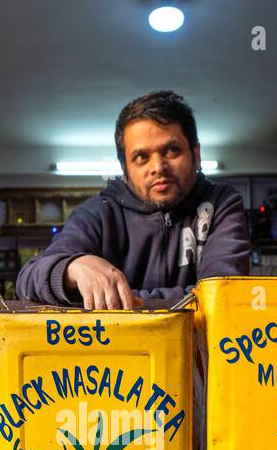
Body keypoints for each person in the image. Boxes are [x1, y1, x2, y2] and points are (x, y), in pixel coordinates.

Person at [16, 90, 251, 309]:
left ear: (196, 155)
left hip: (199, 352)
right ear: (125, 169)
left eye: (172, 151)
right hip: (119, 352)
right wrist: (72, 267)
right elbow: (27, 280)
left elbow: (223, 296)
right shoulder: (97, 213)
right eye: (141, 157)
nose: (158, 167)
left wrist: (121, 301)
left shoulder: (222, 203)